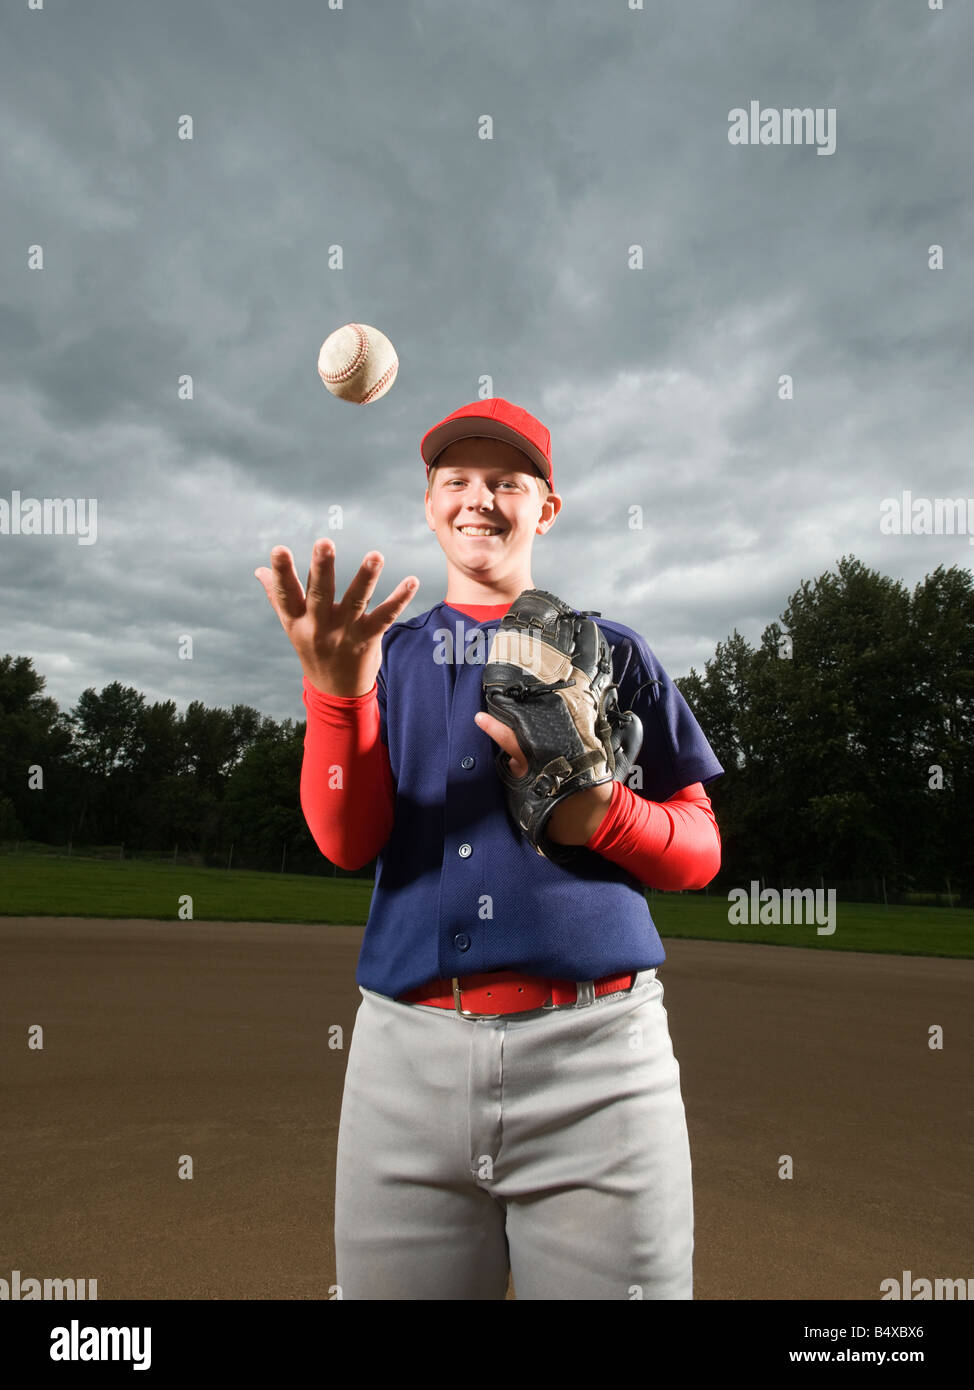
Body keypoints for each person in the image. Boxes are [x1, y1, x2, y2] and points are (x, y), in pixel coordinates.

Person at [255, 397, 724, 1300]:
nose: (480, 498)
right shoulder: (380, 655)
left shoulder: (616, 651)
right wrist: (337, 698)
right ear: (428, 504)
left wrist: (607, 819)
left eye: (507, 480)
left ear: (546, 507)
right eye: (456, 480)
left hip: (599, 1058)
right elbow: (347, 842)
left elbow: (699, 847)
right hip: (406, 1061)